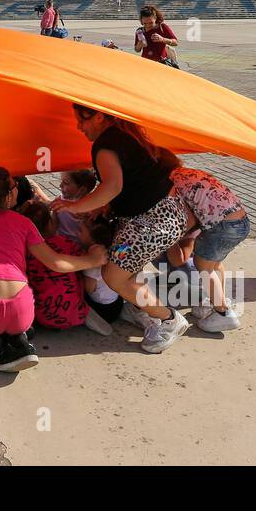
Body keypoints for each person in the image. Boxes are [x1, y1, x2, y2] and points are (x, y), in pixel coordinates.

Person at [46, 107, 192, 353]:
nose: (80, 128)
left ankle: (169, 320)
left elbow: (112, 186)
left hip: (149, 222)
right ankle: (144, 308)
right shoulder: (126, 134)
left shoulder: (105, 146)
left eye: (83, 121)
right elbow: (130, 182)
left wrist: (75, 206)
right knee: (125, 275)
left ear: (100, 116)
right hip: (163, 216)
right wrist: (103, 206)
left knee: (115, 277)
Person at [0, 166, 106, 372]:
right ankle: (17, 340)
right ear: (7, 197)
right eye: (13, 186)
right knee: (22, 285)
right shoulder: (23, 223)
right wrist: (92, 260)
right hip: (22, 315)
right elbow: (56, 263)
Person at [167, 166, 250, 331]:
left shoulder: (169, 185)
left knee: (204, 267)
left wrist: (171, 237)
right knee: (215, 263)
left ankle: (222, 313)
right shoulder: (187, 173)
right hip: (241, 221)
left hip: (220, 225)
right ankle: (218, 301)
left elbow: (186, 219)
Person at [18, 201, 89, 331]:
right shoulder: (65, 242)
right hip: (78, 315)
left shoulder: (25, 251)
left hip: (42, 318)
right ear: (50, 224)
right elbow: (85, 263)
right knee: (78, 272)